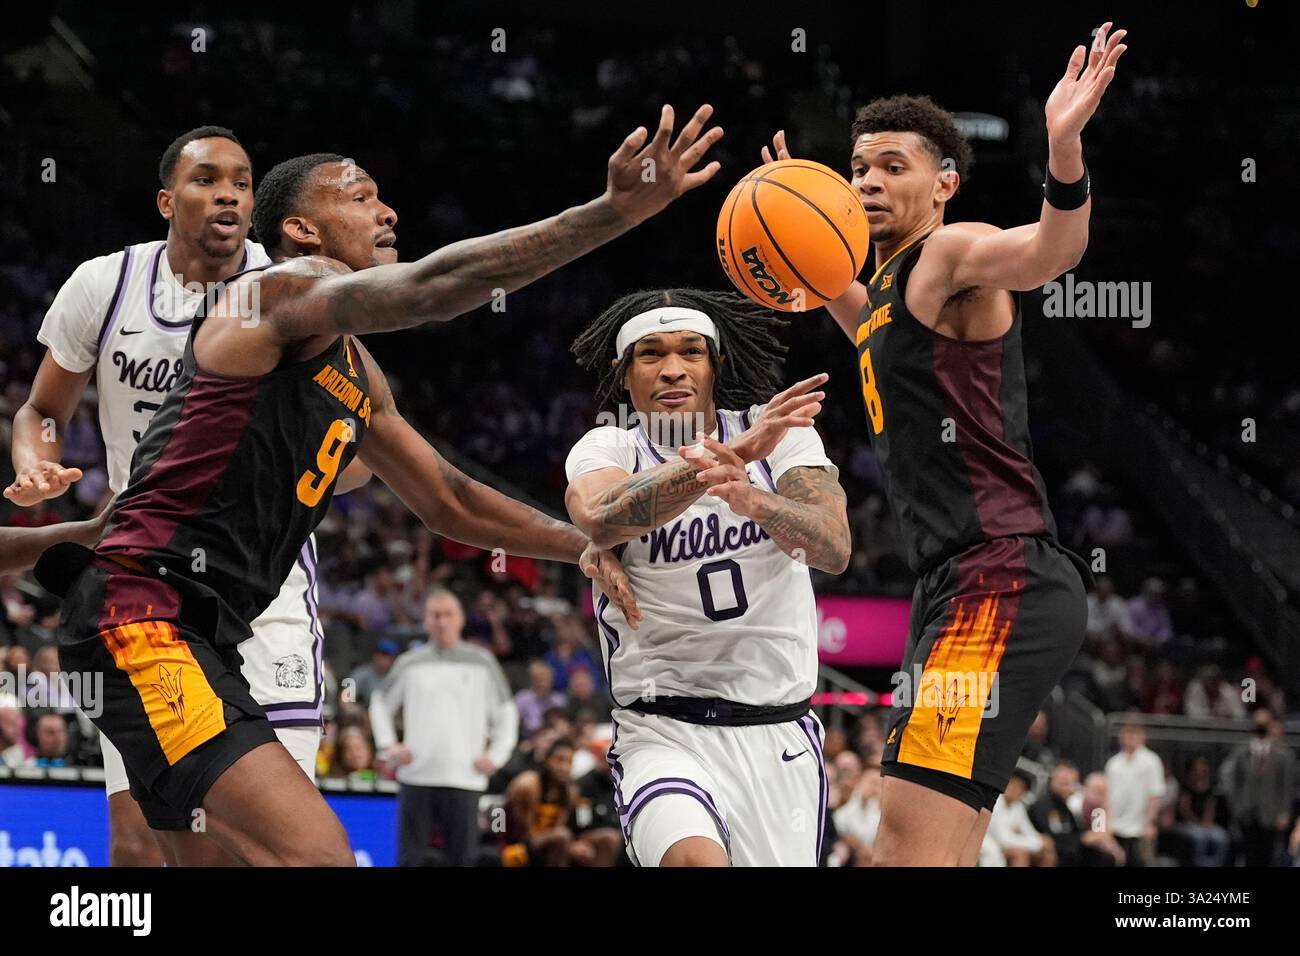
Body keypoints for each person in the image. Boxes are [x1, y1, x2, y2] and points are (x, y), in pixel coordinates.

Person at [36, 102, 719, 866]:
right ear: (302, 231)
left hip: (201, 635)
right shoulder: (278, 294)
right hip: (144, 619)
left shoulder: (357, 371)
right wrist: (609, 213)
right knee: (319, 856)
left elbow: (449, 500)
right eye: (359, 197)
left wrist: (586, 545)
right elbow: (439, 285)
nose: (387, 209)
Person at [759, 21, 1128, 865]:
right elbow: (850, 305)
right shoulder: (887, 292)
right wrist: (792, 220)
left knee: (902, 851)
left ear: (945, 184)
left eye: (895, 167)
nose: (869, 182)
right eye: (858, 169)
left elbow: (1049, 251)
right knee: (943, 852)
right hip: (957, 586)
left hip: (995, 579)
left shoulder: (950, 253)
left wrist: (1062, 152)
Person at [4, 126, 371, 868]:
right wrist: (37, 464)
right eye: (206, 179)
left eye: (241, 178)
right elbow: (43, 410)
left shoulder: (295, 286)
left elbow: (358, 441)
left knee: (271, 844)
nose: (229, 191)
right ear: (168, 199)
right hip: (139, 589)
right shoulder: (105, 285)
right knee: (140, 845)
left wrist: (312, 460)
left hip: (256, 598)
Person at [566, 287, 850, 866]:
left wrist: (761, 504)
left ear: (714, 363)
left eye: (690, 351)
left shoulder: (782, 435)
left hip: (778, 734)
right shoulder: (610, 445)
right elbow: (600, 515)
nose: (672, 369)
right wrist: (723, 461)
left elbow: (834, 546)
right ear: (625, 376)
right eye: (650, 354)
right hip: (663, 729)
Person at [370, 588, 518, 865]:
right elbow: (379, 703)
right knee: (410, 858)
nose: (442, 622)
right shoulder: (408, 663)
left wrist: (498, 755)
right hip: (416, 775)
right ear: (425, 620)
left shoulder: (483, 662)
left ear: (460, 619)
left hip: (464, 775)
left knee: (462, 858)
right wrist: (388, 746)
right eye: (435, 615)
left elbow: (506, 712)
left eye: (448, 614)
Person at [501, 737, 623, 867]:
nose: (564, 767)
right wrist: (568, 845)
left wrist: (574, 845)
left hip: (558, 841)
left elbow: (566, 827)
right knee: (561, 836)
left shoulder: (570, 791)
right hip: (523, 844)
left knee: (611, 838)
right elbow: (522, 832)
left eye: (569, 762)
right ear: (547, 760)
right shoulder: (528, 786)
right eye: (560, 760)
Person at [1219, 707, 1295, 866]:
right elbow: (1233, 780)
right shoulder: (1243, 751)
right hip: (1246, 811)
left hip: (1270, 812)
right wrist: (1237, 806)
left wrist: (1284, 812)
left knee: (1268, 855)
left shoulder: (1283, 755)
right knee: (1248, 854)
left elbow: (1287, 786)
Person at [1104, 722, 1166, 866]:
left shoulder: (1151, 761)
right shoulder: (1113, 763)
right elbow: (1106, 796)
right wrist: (1105, 824)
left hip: (1140, 826)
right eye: (1127, 734)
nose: (1131, 738)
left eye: (1135, 734)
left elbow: (1155, 794)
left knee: (1140, 861)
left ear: (1142, 737)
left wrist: (1150, 823)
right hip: (1115, 825)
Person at [987, 770, 1054, 866]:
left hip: (1005, 846)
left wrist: (1043, 841)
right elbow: (1003, 839)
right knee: (1020, 854)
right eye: (1012, 784)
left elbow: (1029, 831)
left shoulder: (1018, 807)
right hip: (990, 846)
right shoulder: (995, 802)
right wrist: (1039, 843)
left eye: (1020, 787)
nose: (1014, 789)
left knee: (1047, 854)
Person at [514, 659, 567, 737]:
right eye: (539, 679)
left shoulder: (559, 700)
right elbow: (514, 722)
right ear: (532, 680)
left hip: (555, 739)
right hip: (529, 738)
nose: (543, 683)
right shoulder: (522, 698)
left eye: (546, 679)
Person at [345, 638, 399, 708]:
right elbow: (345, 701)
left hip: (389, 713)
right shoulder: (361, 673)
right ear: (375, 655)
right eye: (384, 654)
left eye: (390, 657)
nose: (386, 660)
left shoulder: (396, 676)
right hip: (365, 712)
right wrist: (359, 712)